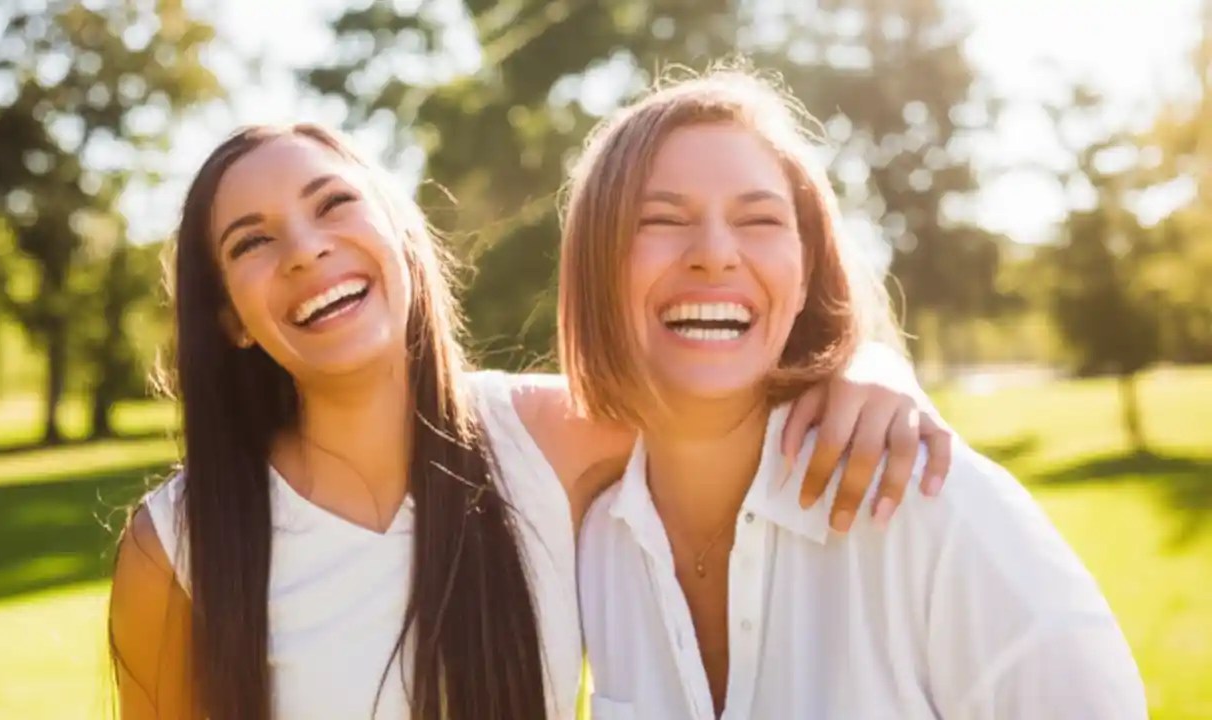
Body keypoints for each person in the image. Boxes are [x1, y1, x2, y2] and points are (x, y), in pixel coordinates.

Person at [108, 123, 949, 720]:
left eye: (333, 205)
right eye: (252, 243)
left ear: (402, 237)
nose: (304, 249)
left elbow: (738, 374)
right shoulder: (177, 546)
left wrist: (875, 368)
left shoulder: (550, 438)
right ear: (232, 320)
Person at [568, 69, 1147, 719]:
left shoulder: (932, 509)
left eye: (758, 219)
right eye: (662, 220)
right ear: (597, 265)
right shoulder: (597, 546)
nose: (715, 254)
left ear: (806, 265)